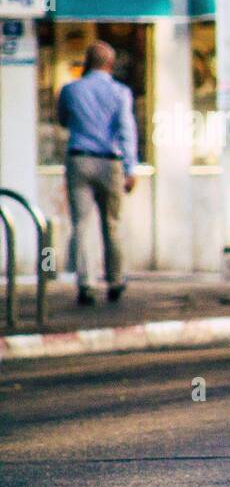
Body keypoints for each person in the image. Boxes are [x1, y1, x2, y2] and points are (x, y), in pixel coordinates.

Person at [57, 41, 138, 305]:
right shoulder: (120, 92)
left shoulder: (71, 90)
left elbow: (63, 119)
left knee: (80, 224)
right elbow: (126, 130)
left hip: (79, 160)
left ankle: (86, 284)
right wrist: (130, 167)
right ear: (110, 65)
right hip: (109, 162)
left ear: (87, 61)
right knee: (111, 224)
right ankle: (115, 281)